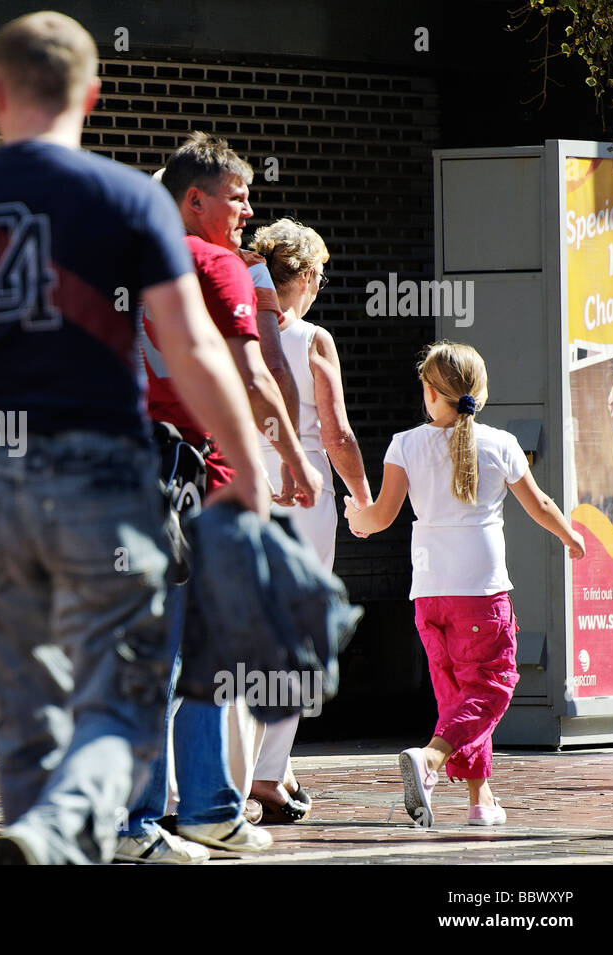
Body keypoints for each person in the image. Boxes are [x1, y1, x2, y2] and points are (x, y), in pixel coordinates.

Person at [0, 11, 268, 864]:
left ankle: (45, 830)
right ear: (92, 90)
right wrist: (253, 469)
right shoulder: (127, 199)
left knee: (25, 706)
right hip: (104, 478)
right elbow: (194, 349)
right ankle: (65, 825)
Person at [120, 135, 324, 860]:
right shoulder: (216, 265)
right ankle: (136, 822)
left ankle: (206, 806)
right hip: (174, 472)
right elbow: (258, 370)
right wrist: (291, 458)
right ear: (193, 200)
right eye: (235, 196)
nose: (247, 209)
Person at [345, 342, 585, 826]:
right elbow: (539, 505)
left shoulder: (404, 443)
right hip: (482, 594)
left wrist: (358, 518)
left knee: (459, 697)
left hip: (429, 594)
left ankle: (480, 801)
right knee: (494, 684)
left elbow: (383, 515)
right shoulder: (500, 443)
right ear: (481, 392)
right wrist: (570, 537)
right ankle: (430, 760)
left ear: (431, 395)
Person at [247, 217, 373, 822]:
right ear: (297, 276)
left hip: (247, 481)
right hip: (303, 490)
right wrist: (365, 500)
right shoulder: (312, 339)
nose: (319, 287)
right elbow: (338, 432)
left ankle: (267, 765)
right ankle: (266, 776)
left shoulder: (238, 329)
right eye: (317, 275)